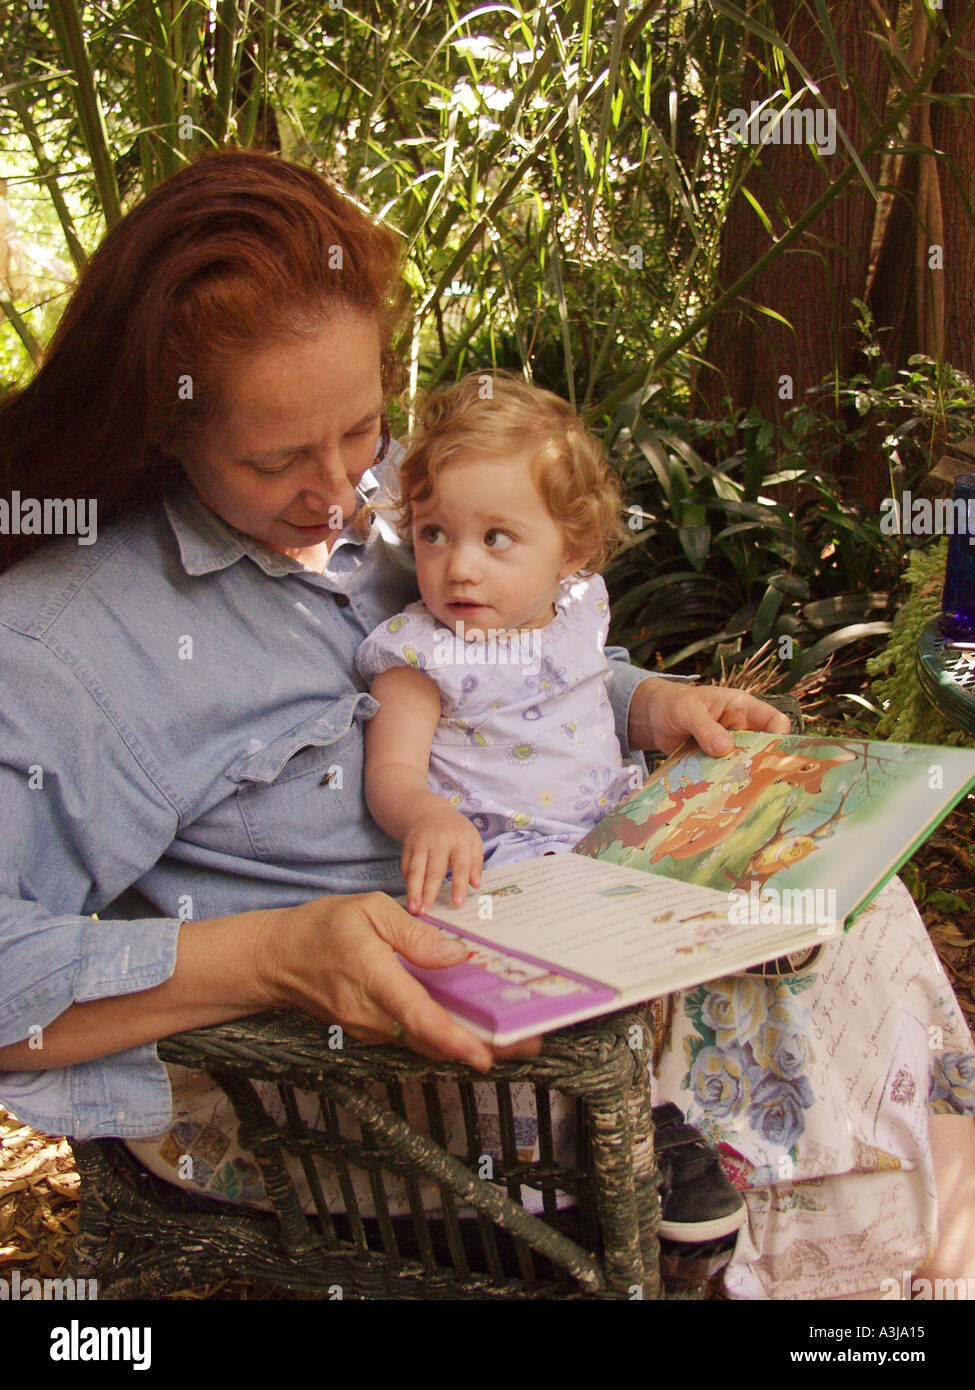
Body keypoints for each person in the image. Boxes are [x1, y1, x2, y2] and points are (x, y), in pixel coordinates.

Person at [0, 149, 971, 1299]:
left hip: (571, 925)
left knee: (844, 905)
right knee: (789, 1048)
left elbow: (494, 662)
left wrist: (643, 701)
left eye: (362, 431)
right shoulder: (64, 643)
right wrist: (279, 954)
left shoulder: (393, 503)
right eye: (273, 459)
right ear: (161, 425)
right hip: (366, 1093)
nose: (339, 495)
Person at [355, 370, 747, 1248]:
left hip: (607, 827)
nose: (458, 566)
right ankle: (641, 1135)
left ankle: (754, 944)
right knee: (589, 980)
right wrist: (423, 816)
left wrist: (667, 706)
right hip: (507, 861)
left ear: (572, 552)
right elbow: (391, 770)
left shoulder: (575, 617)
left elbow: (596, 695)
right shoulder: (420, 653)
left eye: (498, 538)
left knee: (712, 859)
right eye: (433, 534)